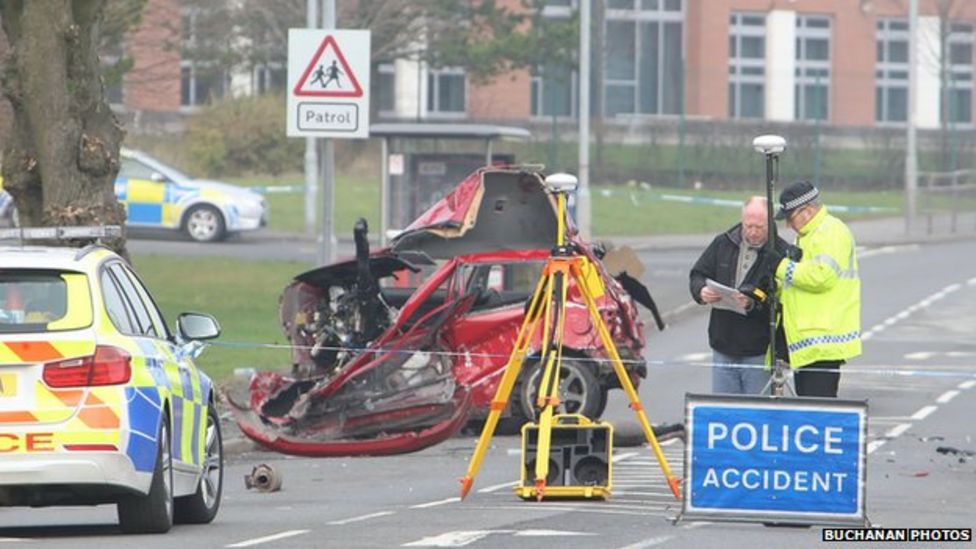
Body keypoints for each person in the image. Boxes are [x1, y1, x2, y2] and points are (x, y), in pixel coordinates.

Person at [769, 181, 861, 398]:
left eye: (790, 217)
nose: (789, 224)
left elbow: (821, 277)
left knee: (818, 411)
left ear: (807, 210)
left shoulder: (830, 231)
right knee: (809, 411)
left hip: (823, 340)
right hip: (809, 342)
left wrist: (779, 266)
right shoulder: (808, 235)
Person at [689, 196, 788, 395]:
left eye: (759, 227)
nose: (752, 232)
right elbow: (698, 274)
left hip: (759, 350)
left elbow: (784, 302)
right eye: (748, 225)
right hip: (723, 344)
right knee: (724, 411)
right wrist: (701, 291)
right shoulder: (723, 243)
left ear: (770, 223)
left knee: (756, 413)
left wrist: (753, 304)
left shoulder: (781, 252)